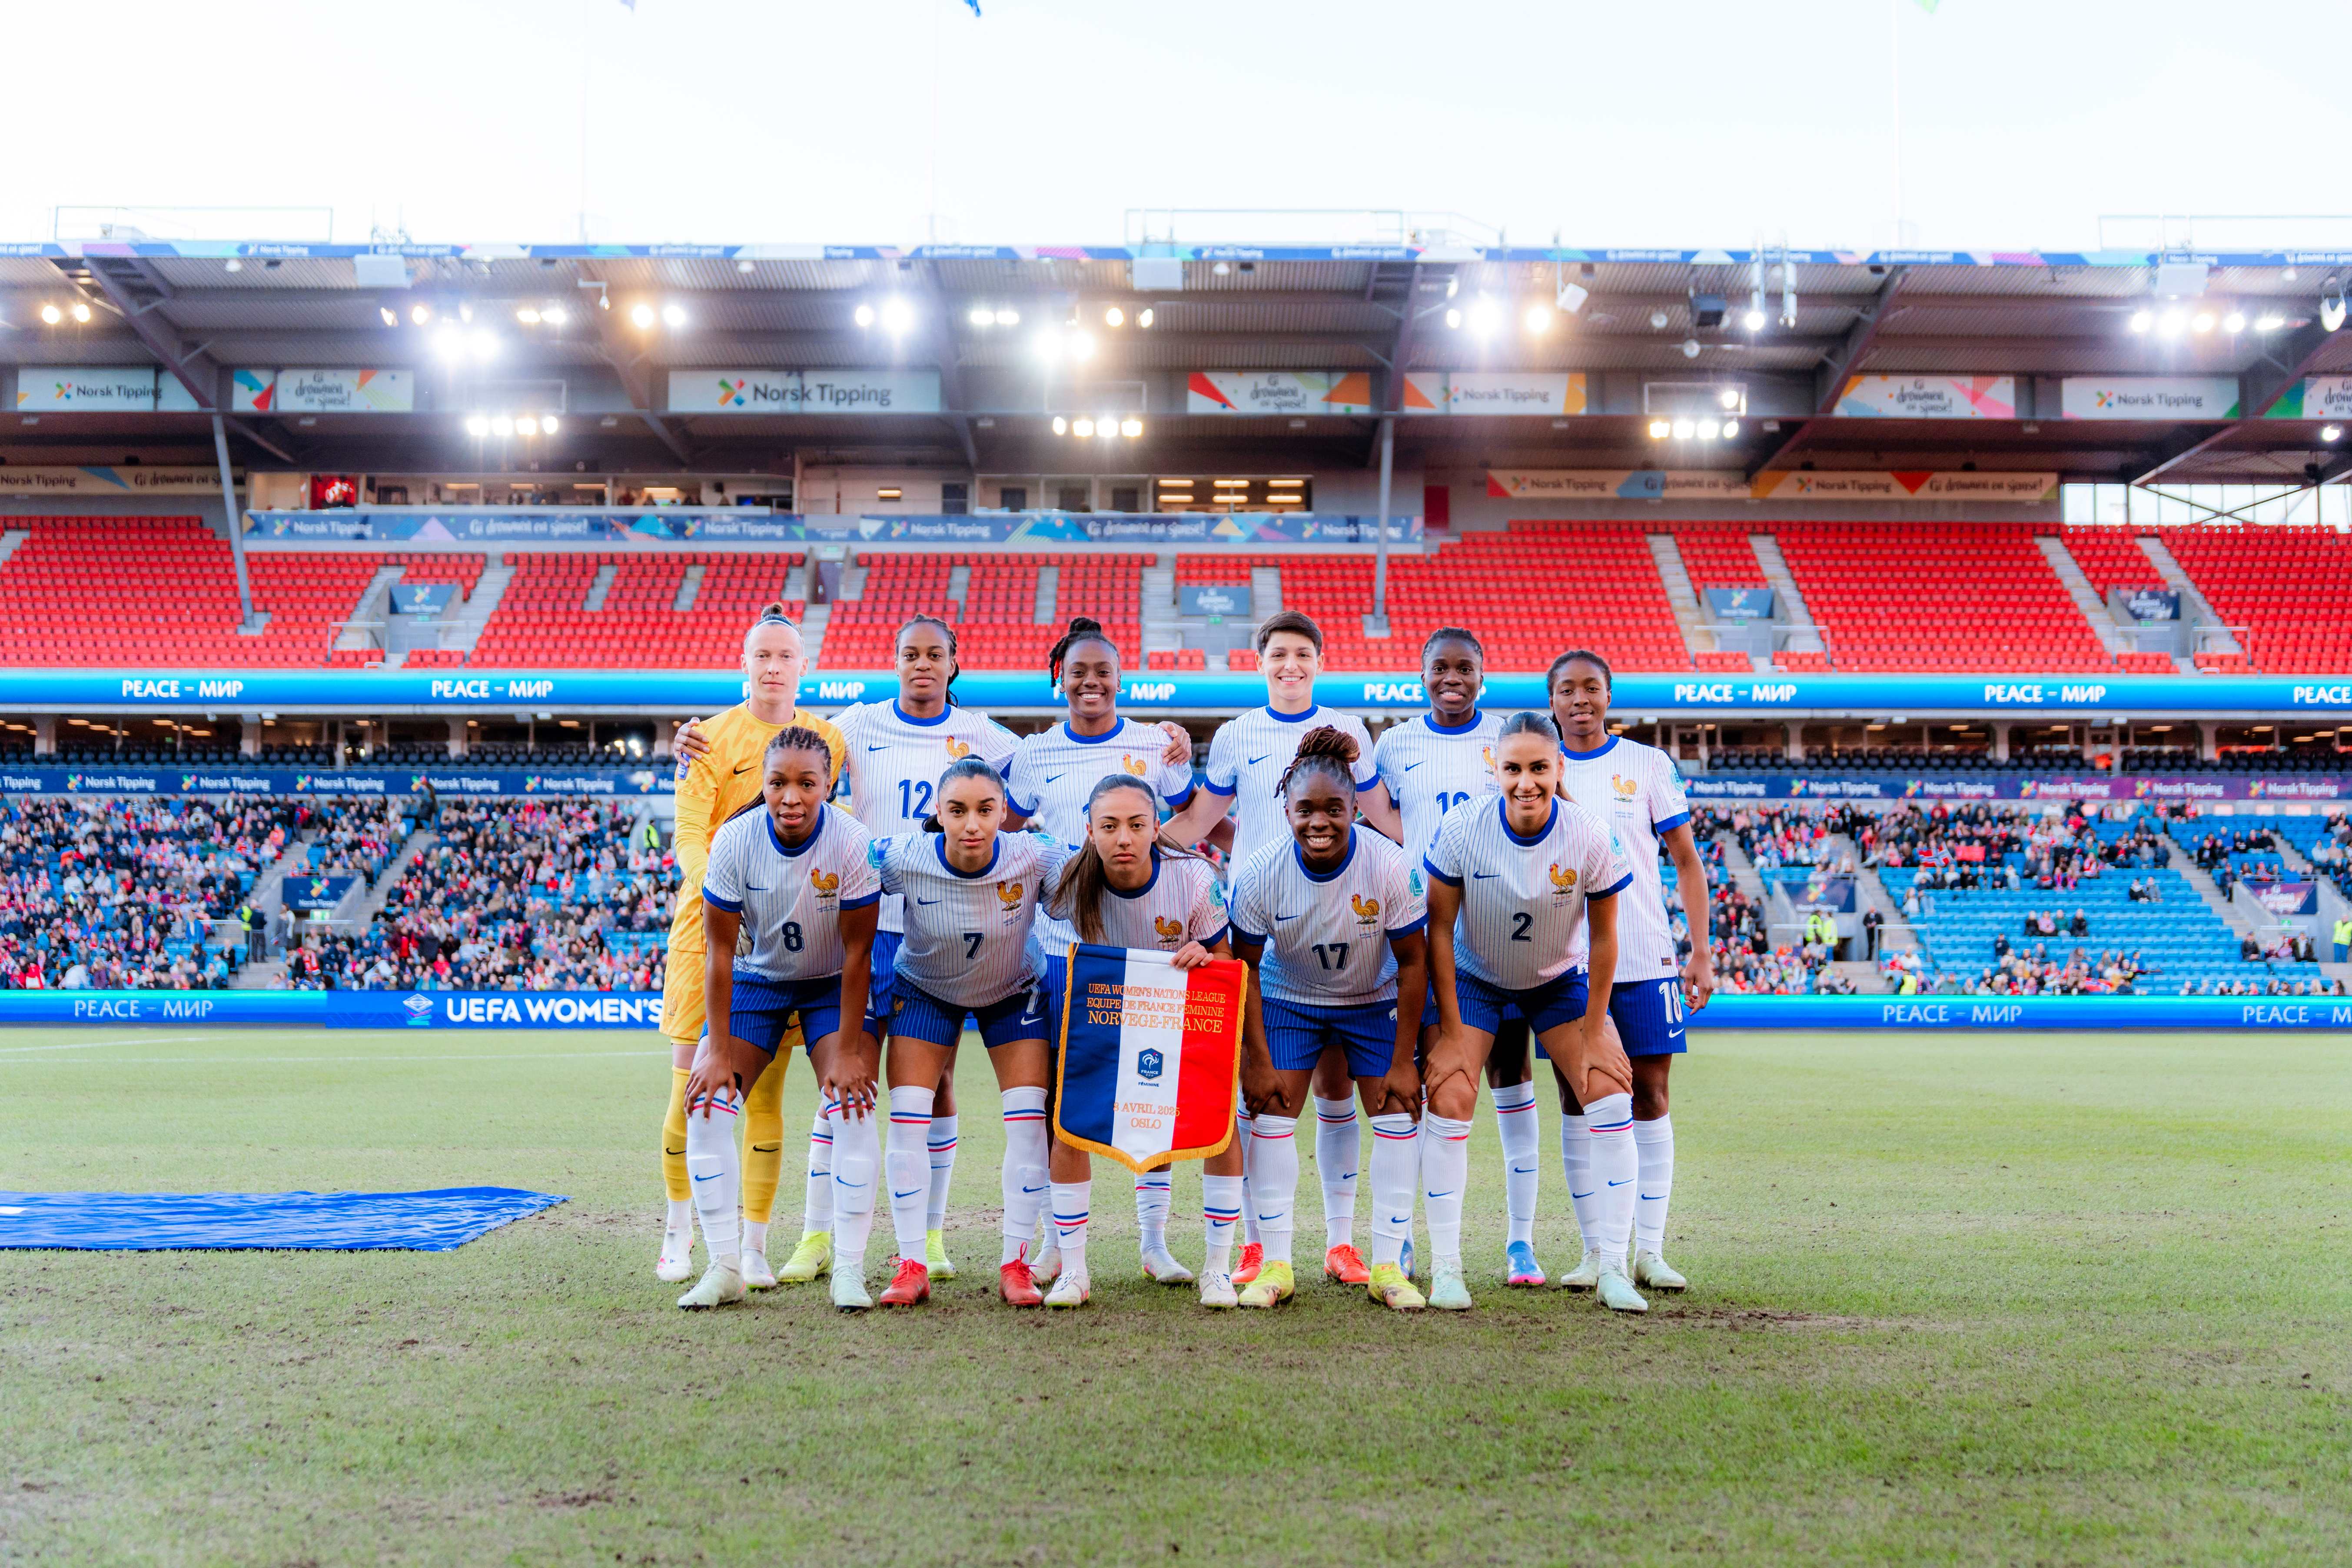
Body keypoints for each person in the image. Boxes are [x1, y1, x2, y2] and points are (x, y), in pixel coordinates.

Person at [1162, 609, 1402, 1288]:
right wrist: (1137, 860)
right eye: (1278, 654)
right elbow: (1205, 822)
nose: (1290, 665)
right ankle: (1255, 1244)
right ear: (1258, 661)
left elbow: (1385, 821)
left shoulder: (1351, 731)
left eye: (1302, 653)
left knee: (1334, 1093)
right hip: (1259, 928)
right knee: (1259, 1093)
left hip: (1344, 928)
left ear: (1319, 662)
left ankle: (1342, 1243)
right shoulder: (1239, 734)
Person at [1000, 615, 1203, 1285]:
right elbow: (1003, 828)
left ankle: (1154, 1243)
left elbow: (1188, 820)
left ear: (1121, 679)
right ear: (1061, 679)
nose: (1092, 681)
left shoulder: (1157, 745)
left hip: (1149, 951)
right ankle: (1063, 1246)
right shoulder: (1033, 756)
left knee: (1157, 1096)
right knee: (1070, 1105)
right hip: (1066, 953)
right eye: (1079, 671)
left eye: (1104, 671)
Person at [655, 607, 847, 1289]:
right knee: (693, 1088)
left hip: (790, 937)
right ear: (745, 663)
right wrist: (726, 888)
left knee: (765, 1098)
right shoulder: (707, 738)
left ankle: (756, 1243)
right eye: (762, 655)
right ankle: (678, 1234)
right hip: (707, 931)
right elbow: (686, 835)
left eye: (785, 656)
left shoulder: (828, 738)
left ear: (804, 667)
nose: (773, 666)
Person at [1421, 711, 1635, 1312]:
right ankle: (1447, 1269)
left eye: (1539, 768)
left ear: (1559, 767)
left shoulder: (1589, 833)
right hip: (1477, 980)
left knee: (1612, 1092)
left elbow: (1604, 939)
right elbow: (1438, 931)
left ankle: (1613, 1266)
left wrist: (1596, 1030)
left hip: (1555, 982)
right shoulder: (1462, 828)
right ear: (1494, 768)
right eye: (1512, 769)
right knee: (1451, 1094)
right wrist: (1452, 1029)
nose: (1526, 782)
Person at [676, 725, 879, 1312]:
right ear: (763, 785)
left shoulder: (852, 842)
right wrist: (715, 1049)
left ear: (828, 785)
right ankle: (725, 1266)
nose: (791, 796)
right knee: (707, 1104)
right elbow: (719, 952)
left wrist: (846, 1050)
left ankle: (848, 1269)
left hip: (829, 985)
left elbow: (859, 954)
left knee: (853, 1104)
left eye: (807, 783)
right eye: (778, 783)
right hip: (758, 982)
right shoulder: (736, 841)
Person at [1229, 727, 1431, 1311]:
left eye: (1334, 810)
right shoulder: (1261, 874)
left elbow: (1414, 962)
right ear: (1286, 810)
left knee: (1396, 1109)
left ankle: (1389, 1267)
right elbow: (1244, 970)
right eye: (1306, 810)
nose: (1320, 821)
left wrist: (1403, 1061)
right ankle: (1275, 1264)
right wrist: (1257, 1060)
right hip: (1290, 998)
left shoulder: (1390, 867)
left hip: (1372, 1000)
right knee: (1269, 1111)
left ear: (1353, 811)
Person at [1370, 627, 1546, 1286]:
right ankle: (1408, 1238)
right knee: (1425, 1084)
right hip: (1421, 937)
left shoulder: (1505, 737)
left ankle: (1520, 1243)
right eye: (1440, 667)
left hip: (1502, 935)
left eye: (1465, 668)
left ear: (1483, 673)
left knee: (1512, 1078)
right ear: (1421, 675)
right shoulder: (1396, 744)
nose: (1452, 678)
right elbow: (1381, 825)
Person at [868, 756, 1071, 1309]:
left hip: (1015, 990)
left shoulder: (1038, 853)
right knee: (908, 1117)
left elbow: (1101, 893)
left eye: (986, 810)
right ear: (938, 813)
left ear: (1005, 812)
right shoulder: (901, 857)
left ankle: (1017, 1264)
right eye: (957, 811)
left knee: (1030, 1121)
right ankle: (912, 1263)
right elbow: (835, 859)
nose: (973, 824)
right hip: (925, 990)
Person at [1039, 774, 1239, 1309]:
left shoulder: (1194, 877)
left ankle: (1206, 1263)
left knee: (1215, 1123)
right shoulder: (1068, 879)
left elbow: (1226, 959)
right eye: (1109, 826)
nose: (1123, 837)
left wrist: (1203, 952)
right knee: (1070, 1121)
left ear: (1156, 827)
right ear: (1089, 831)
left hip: (1176, 1005)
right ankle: (1073, 1268)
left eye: (1135, 824)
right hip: (1104, 1006)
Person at [1550, 650, 1713, 1295]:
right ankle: (1596, 1251)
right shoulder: (1543, 766)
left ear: (1609, 695)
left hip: (1645, 957)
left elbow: (1687, 863)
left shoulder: (1646, 764)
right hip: (1566, 964)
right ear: (1553, 700)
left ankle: (1649, 1250)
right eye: (1568, 689)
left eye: (1592, 687)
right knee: (1576, 1098)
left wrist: (1701, 952)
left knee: (1649, 1096)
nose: (1581, 698)